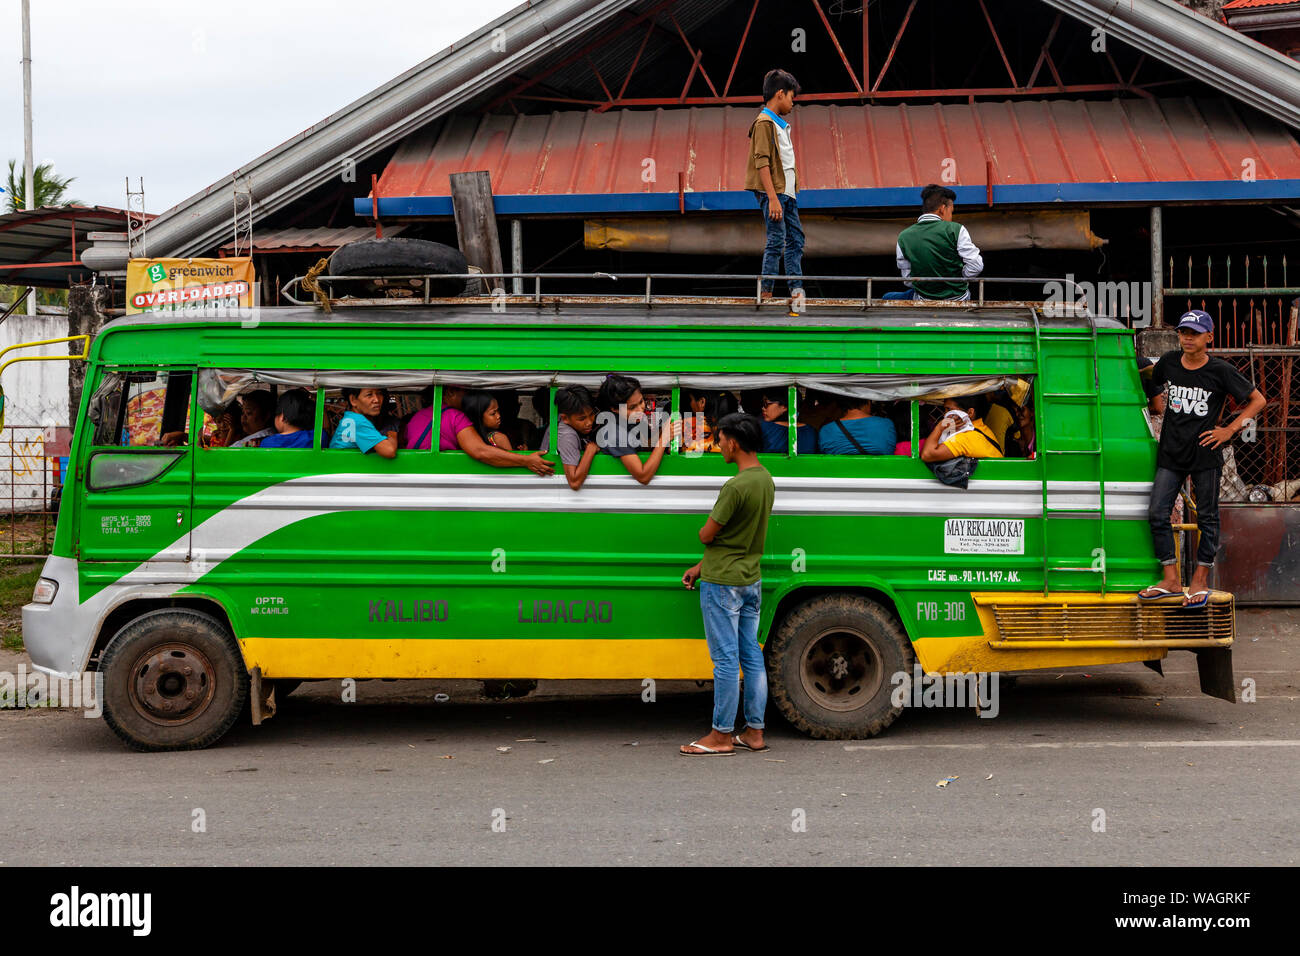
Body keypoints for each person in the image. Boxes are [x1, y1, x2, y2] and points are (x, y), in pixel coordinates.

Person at [1139, 310, 1266, 608]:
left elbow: (1257, 400)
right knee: (1158, 513)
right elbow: (1153, 385)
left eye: (1194, 333)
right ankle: (1170, 579)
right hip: (1171, 453)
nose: (1187, 338)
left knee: (1207, 518)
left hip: (1206, 454)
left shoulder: (1220, 371)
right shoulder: (1169, 362)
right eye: (1184, 332)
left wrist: (1230, 430)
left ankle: (1199, 581)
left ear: (1209, 337)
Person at [680, 413, 775, 756]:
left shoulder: (735, 486)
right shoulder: (765, 479)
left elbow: (708, 534)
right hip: (750, 579)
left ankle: (721, 735)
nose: (718, 444)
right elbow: (739, 538)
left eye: (720, 439)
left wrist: (705, 556)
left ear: (733, 442)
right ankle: (754, 732)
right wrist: (701, 567)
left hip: (723, 584)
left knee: (724, 660)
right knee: (751, 656)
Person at [404, 384, 554, 476]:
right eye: (466, 392)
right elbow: (480, 451)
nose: (469, 397)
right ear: (450, 392)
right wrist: (526, 460)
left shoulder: (416, 417)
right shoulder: (455, 416)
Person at [745, 68, 803, 300]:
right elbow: (762, 162)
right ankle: (766, 292)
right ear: (780, 94)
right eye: (791, 97)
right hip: (775, 194)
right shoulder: (764, 123)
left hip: (787, 193)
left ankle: (796, 290)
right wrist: (772, 198)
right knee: (777, 240)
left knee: (796, 239)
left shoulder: (779, 125)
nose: (792, 103)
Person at [886, 184, 983, 301]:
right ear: (942, 209)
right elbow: (976, 266)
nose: (951, 216)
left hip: (923, 299)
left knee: (887, 297)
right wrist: (959, 279)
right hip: (958, 298)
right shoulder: (955, 229)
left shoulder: (903, 236)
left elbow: (907, 279)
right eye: (951, 211)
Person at [594, 373, 677, 484]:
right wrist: (663, 440)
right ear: (614, 409)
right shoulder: (614, 434)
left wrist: (663, 432)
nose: (640, 410)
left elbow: (642, 444)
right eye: (632, 407)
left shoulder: (633, 419)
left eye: (641, 402)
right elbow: (643, 477)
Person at [540, 385, 601, 491]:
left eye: (592, 414)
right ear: (565, 418)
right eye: (582, 419)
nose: (589, 422)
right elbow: (574, 482)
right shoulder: (567, 435)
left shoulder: (563, 419)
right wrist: (590, 449)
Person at [920, 395, 1004, 462]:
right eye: (945, 409)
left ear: (970, 413)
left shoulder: (967, 437)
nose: (944, 414)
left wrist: (939, 427)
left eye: (949, 409)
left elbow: (927, 455)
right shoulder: (981, 428)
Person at [329, 386, 397, 458]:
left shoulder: (351, 418)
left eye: (379, 393)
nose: (377, 400)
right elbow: (389, 451)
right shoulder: (358, 421)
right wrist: (392, 435)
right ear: (353, 400)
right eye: (369, 395)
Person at [818, 398, 896, 455]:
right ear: (868, 402)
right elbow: (889, 452)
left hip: (839, 475)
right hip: (877, 474)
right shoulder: (886, 424)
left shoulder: (826, 429)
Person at [759, 389, 817, 454]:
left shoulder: (763, 428)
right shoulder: (810, 431)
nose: (763, 408)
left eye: (766, 404)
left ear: (784, 406)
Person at [682, 389, 721, 455]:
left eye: (691, 400)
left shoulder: (688, 423)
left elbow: (671, 449)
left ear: (702, 402)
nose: (690, 404)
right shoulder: (725, 424)